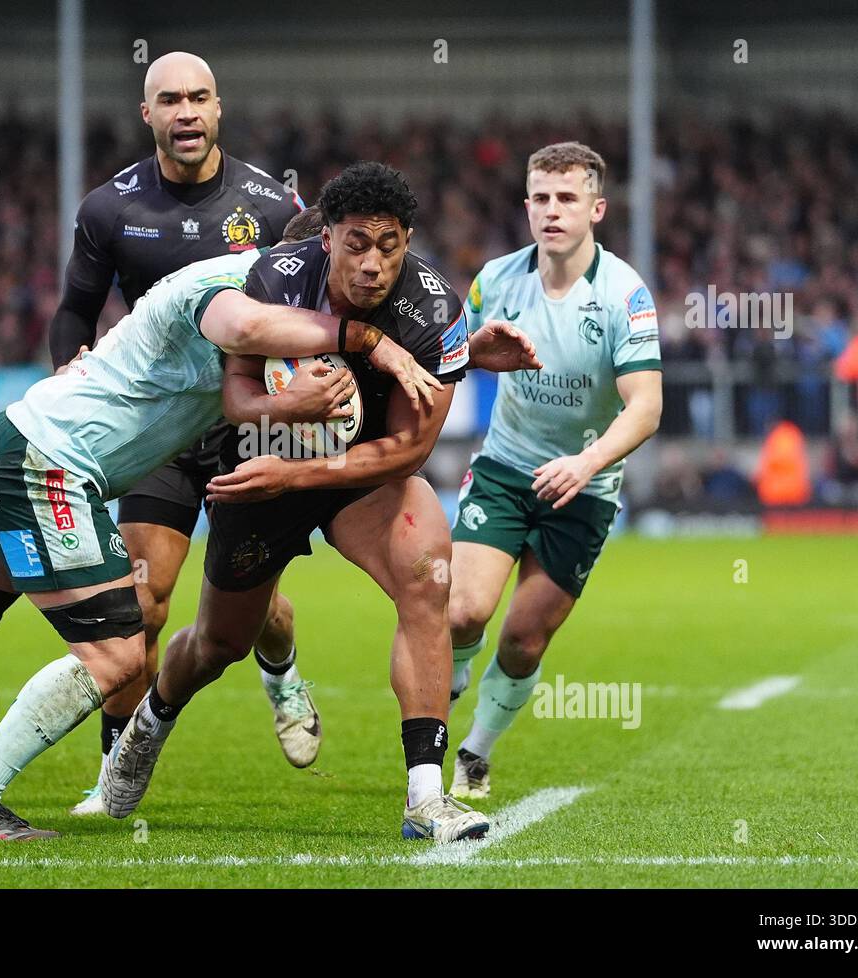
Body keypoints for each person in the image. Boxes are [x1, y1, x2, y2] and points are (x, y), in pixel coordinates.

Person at [0, 212, 460, 840]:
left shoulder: (269, 311)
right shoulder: (234, 288)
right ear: (297, 258)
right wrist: (367, 341)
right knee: (116, 655)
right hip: (47, 464)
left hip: (11, 442)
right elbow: (253, 321)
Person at [101, 162, 542, 843]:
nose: (372, 264)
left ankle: (427, 797)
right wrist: (281, 408)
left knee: (428, 573)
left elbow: (409, 450)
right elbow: (235, 398)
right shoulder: (273, 281)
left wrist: (304, 475)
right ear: (326, 239)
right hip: (262, 460)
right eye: (356, 245)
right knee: (221, 641)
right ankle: (151, 721)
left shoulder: (433, 310)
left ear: (408, 239)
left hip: (356, 476)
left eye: (388, 245)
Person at [48, 51, 315, 815]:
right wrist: (68, 363)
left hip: (244, 427)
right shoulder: (109, 208)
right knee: (144, 602)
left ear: (219, 108)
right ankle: (116, 773)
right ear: (149, 115)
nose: (187, 111)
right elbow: (75, 306)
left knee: (255, 610)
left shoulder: (270, 204)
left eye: (200, 97)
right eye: (171, 100)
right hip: (159, 431)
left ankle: (283, 670)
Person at [444, 142, 663, 799]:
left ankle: (476, 750)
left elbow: (647, 406)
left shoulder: (625, 294)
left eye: (567, 198)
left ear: (596, 208)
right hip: (506, 467)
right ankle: (450, 676)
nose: (552, 210)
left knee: (523, 641)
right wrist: (473, 355)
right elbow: (447, 360)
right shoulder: (495, 280)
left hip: (586, 486)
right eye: (540, 197)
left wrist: (586, 461)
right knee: (463, 613)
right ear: (526, 205)